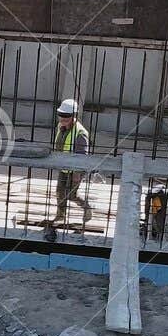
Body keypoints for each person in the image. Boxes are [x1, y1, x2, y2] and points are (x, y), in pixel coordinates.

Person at [50, 98, 93, 235]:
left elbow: (82, 157)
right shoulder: (61, 127)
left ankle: (87, 208)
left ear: (73, 116)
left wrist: (77, 174)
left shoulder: (80, 133)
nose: (63, 118)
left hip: (75, 171)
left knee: (71, 195)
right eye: (61, 115)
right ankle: (61, 215)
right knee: (59, 192)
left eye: (66, 116)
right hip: (64, 167)